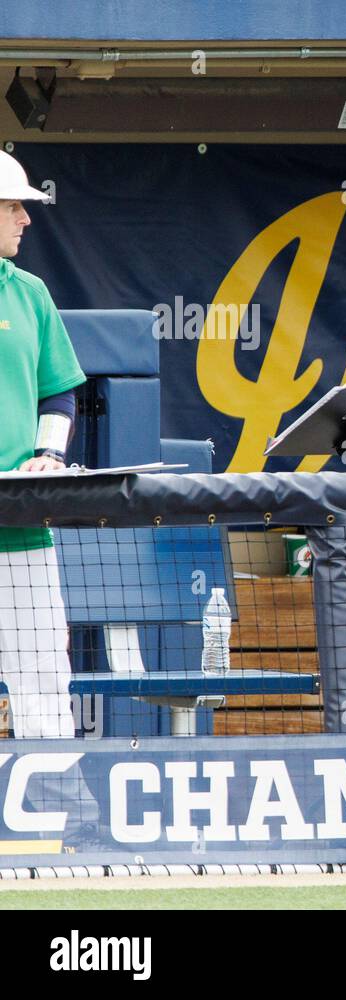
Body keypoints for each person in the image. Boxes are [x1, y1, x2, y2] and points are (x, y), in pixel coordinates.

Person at [0, 150, 85, 739]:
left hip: (23, 527)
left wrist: (49, 453)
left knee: (44, 683)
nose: (26, 220)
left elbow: (58, 395)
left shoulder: (31, 292)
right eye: (13, 207)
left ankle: (56, 817)